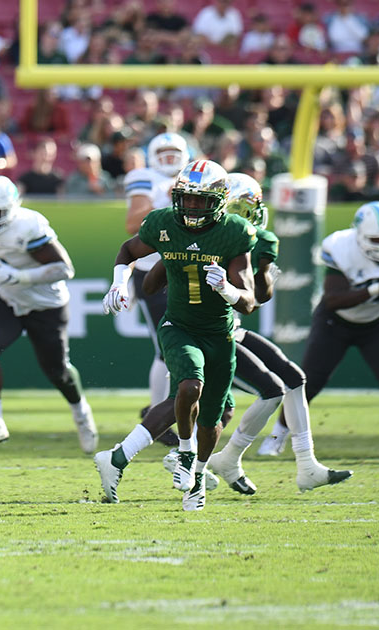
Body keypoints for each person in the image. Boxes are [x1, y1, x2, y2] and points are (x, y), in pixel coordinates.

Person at [145, 174, 352, 494]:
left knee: (292, 379)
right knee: (267, 390)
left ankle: (304, 463)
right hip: (214, 334)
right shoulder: (218, 237)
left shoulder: (245, 238)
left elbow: (259, 296)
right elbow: (249, 300)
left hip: (230, 330)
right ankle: (209, 456)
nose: (254, 213)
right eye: (248, 206)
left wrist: (263, 274)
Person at [98, 159, 257, 511]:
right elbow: (129, 251)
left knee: (215, 417)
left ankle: (196, 478)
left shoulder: (234, 231)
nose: (191, 207)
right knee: (188, 387)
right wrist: (120, 283)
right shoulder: (163, 224)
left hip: (219, 333)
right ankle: (184, 454)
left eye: (200, 200)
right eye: (186, 199)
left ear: (218, 200)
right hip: (179, 325)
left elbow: (249, 301)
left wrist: (229, 291)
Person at [259, 201, 379, 451]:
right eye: (377, 239)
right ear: (360, 235)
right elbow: (334, 300)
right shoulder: (341, 246)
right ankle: (277, 435)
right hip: (335, 323)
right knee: (308, 383)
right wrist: (378, 287)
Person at [0, 175, 97, 452]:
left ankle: (81, 413)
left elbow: (64, 269)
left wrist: (19, 276)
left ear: (12, 209)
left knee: (57, 371)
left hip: (45, 303)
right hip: (6, 297)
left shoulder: (29, 226)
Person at [122, 133, 190, 432]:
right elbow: (133, 223)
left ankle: (170, 409)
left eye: (174, 151)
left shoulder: (198, 173)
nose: (169, 158)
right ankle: (156, 416)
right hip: (155, 270)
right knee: (165, 347)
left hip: (192, 266)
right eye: (163, 152)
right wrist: (171, 199)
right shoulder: (144, 177)